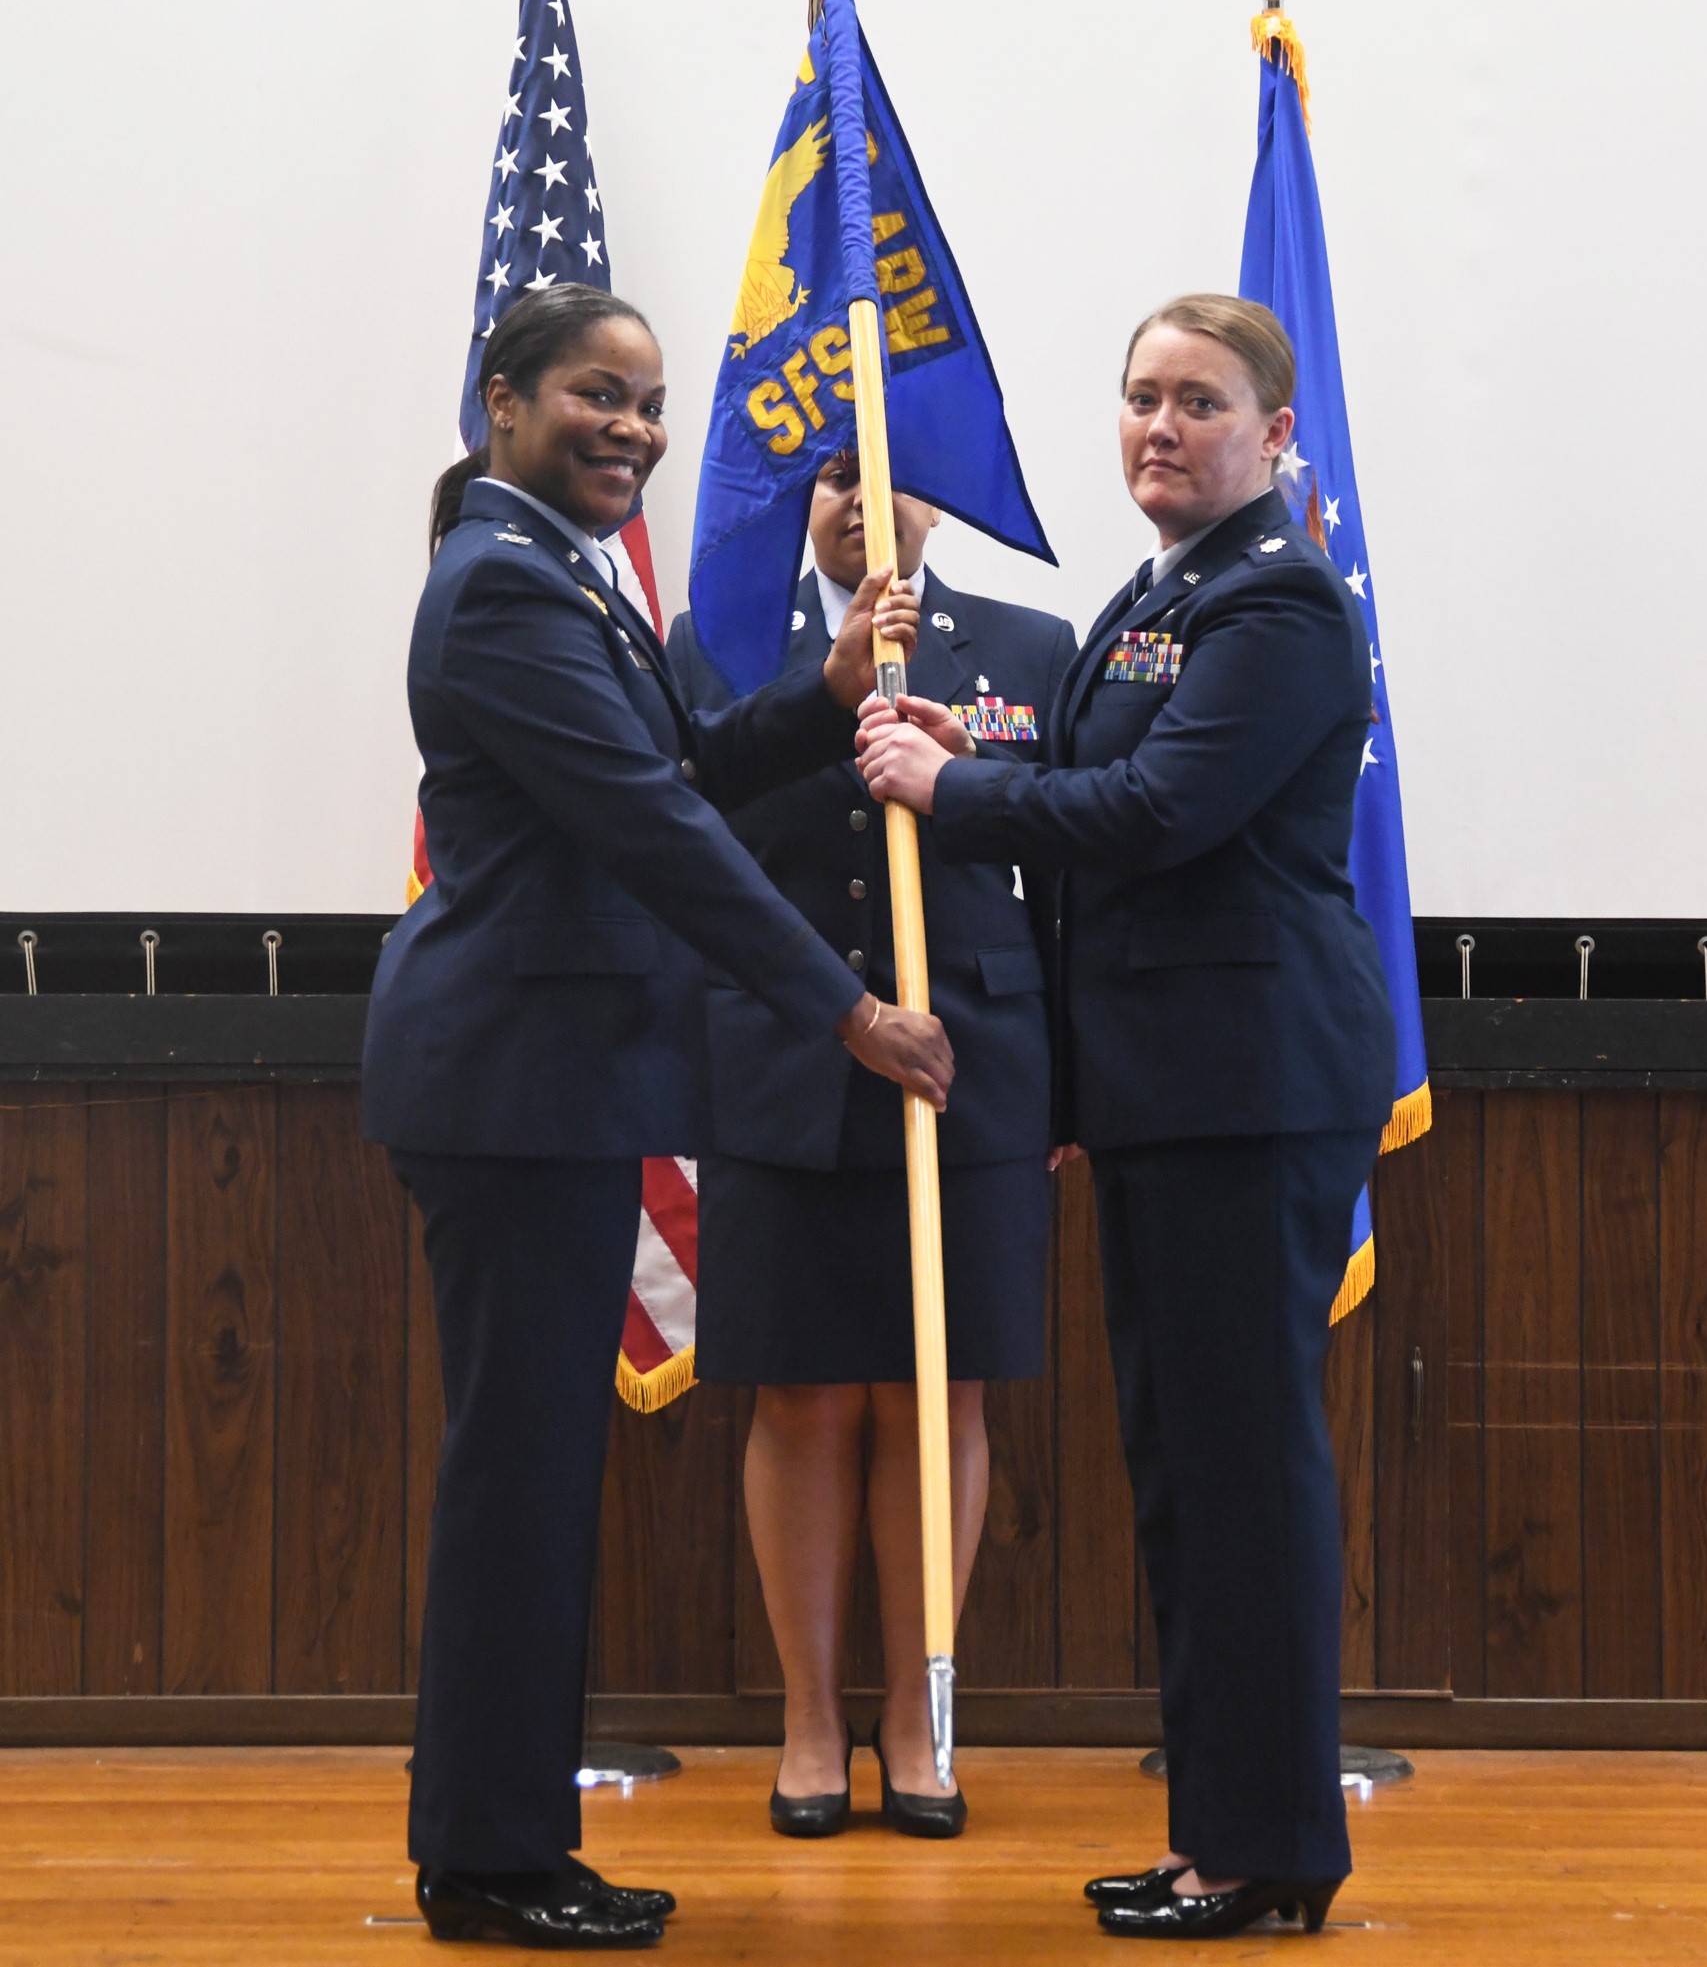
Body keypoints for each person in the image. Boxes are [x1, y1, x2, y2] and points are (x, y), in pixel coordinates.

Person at [361, 284, 953, 1951]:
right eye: (592, 396)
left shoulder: (555, 574)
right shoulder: (498, 586)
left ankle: (505, 1836)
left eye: (648, 400)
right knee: (519, 1479)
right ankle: (486, 1855)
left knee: (537, 1475)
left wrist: (828, 693)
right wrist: (842, 1009)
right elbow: (654, 831)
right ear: (501, 403)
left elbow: (682, 763)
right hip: (510, 1082)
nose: (631, 427)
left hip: (549, 1079)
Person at [856, 295, 1395, 1940]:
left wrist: (957, 792)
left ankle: (1269, 1850)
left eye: (1200, 402)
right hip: (1170, 1094)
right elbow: (1094, 775)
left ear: (1274, 436)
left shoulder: (1282, 602)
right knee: (1185, 1470)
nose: (1159, 427)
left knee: (1243, 1475)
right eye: (1139, 398)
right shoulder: (1152, 598)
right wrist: (975, 745)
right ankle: (1214, 1833)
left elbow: (1159, 811)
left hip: (1251, 1085)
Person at [668, 448, 1075, 1839]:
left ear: (934, 491)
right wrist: (822, 692)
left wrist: (1066, 1086)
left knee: (935, 1393)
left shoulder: (1027, 644)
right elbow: (685, 826)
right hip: (782, 1057)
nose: (859, 501)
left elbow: (1067, 874)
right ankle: (806, 1719)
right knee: (801, 1397)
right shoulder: (717, 644)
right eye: (830, 475)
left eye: (886, 472)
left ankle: (917, 1714)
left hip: (969, 1068)